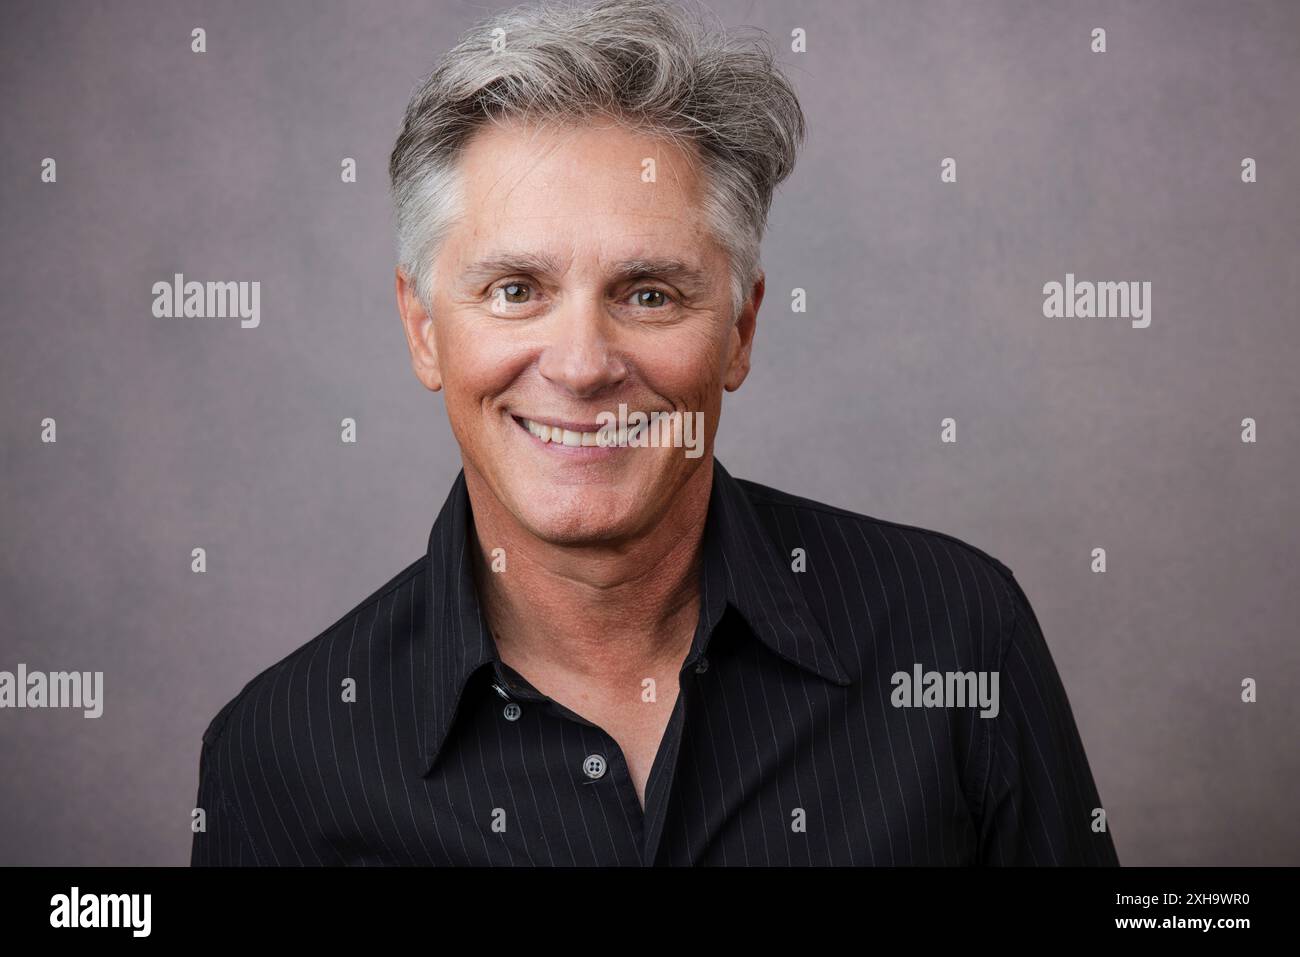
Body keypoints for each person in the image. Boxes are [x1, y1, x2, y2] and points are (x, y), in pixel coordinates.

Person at [191, 0, 1118, 866]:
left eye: (648, 294)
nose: (582, 365)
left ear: (740, 330)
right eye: (515, 290)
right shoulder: (280, 756)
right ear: (424, 328)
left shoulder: (958, 634)